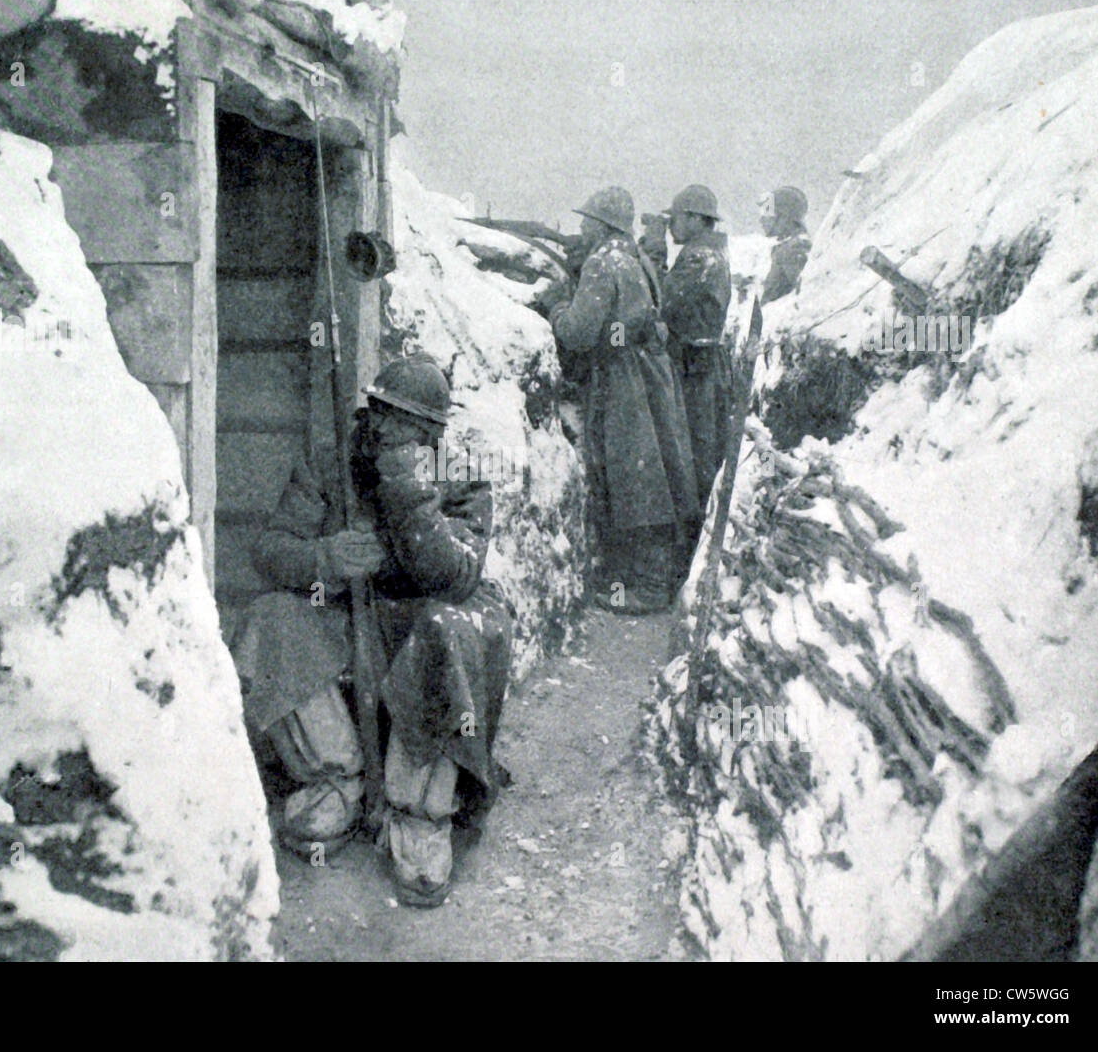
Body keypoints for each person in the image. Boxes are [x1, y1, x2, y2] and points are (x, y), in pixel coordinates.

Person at [232, 354, 512, 907]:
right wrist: (324, 558)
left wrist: (406, 490)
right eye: (380, 414)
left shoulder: (462, 477)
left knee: (453, 630)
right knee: (272, 618)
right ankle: (333, 781)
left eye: (406, 425)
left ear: (433, 435)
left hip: (425, 622)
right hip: (345, 618)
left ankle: (419, 816)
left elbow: (452, 576)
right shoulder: (331, 463)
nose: (385, 431)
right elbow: (269, 551)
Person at [548, 186, 700, 614]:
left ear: (603, 224)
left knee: (636, 477)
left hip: (623, 381)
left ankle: (646, 589)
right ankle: (655, 578)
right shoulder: (639, 259)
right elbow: (635, 322)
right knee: (656, 471)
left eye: (587, 220)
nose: (581, 227)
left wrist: (557, 308)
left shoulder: (602, 262)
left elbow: (580, 333)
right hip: (650, 374)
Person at [659, 184, 732, 513]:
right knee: (702, 447)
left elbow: (663, 300)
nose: (671, 226)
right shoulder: (710, 251)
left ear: (694, 218)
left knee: (693, 451)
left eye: (675, 218)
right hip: (701, 362)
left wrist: (651, 254)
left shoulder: (699, 255)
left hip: (694, 366)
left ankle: (694, 529)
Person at [759, 186, 811, 302]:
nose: (762, 220)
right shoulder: (787, 247)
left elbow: (803, 296)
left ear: (784, 217)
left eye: (768, 213)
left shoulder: (795, 248)